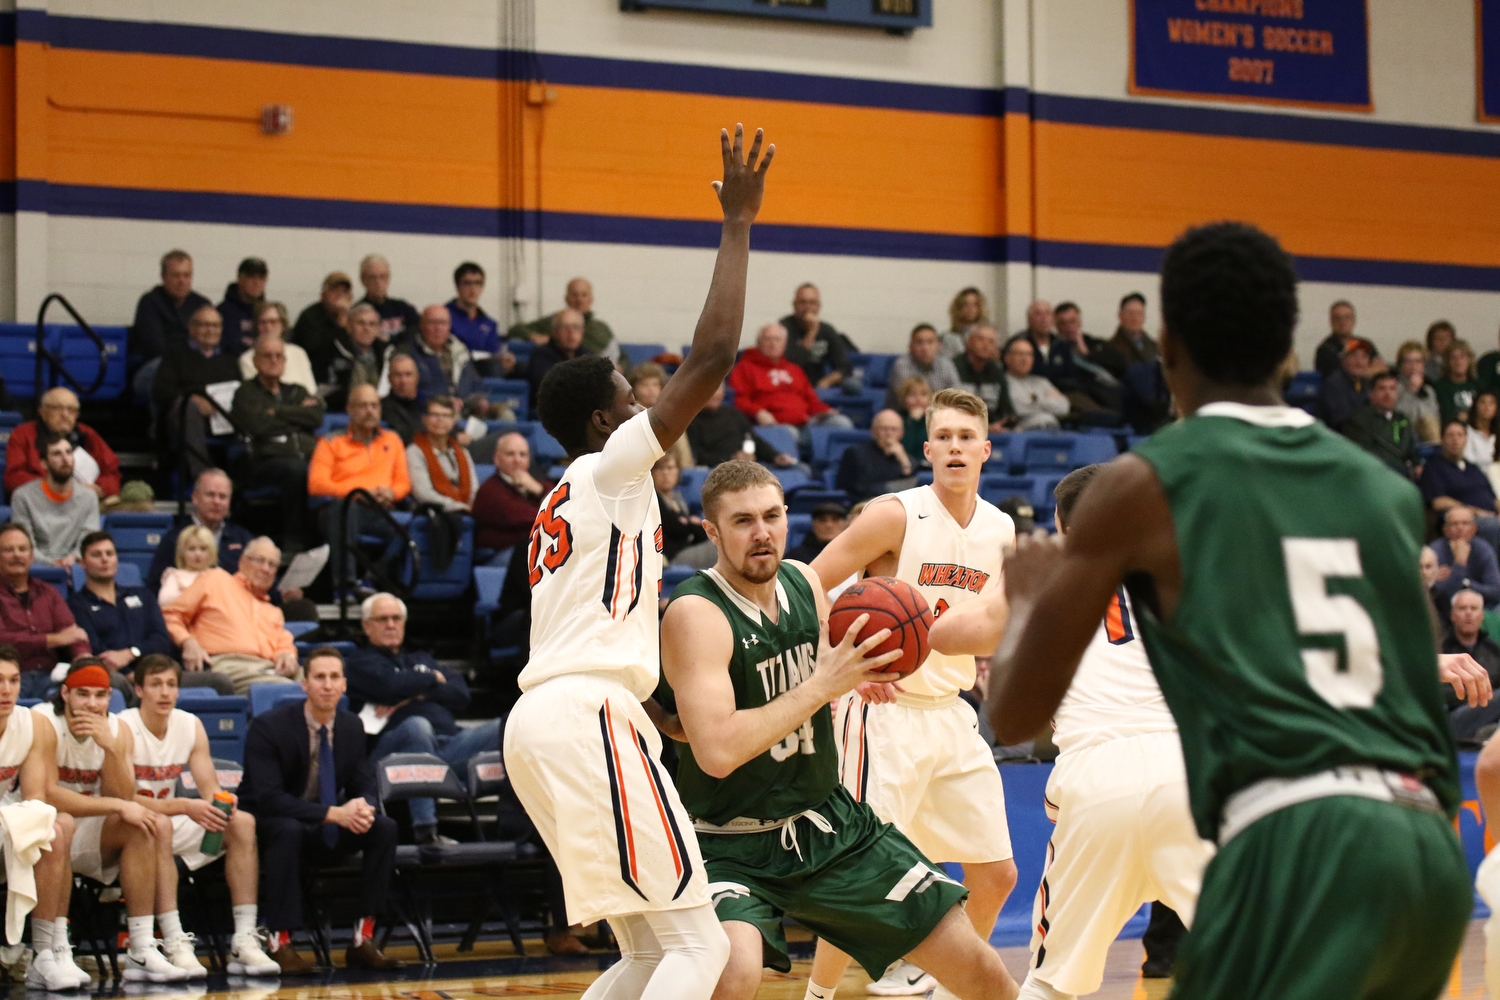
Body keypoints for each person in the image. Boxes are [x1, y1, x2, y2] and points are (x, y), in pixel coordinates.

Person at [978, 221, 1480, 1000]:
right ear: (1290, 349)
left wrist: (1030, 606)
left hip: (1293, 839)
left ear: (1168, 345)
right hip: (1421, 841)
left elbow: (1014, 715)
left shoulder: (1144, 485)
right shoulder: (1380, 487)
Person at [504, 124, 773, 1000]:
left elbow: (599, 620)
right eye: (631, 397)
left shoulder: (574, 498)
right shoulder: (610, 468)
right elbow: (715, 357)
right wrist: (737, 222)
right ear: (603, 422)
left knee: (655, 953)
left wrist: (661, 707)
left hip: (553, 719)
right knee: (699, 950)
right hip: (586, 718)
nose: (648, 404)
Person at [655, 461, 1018, 1000]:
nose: (762, 533)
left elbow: (826, 660)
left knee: (982, 971)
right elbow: (718, 751)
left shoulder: (803, 583)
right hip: (729, 842)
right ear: (711, 531)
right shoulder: (695, 613)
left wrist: (858, 678)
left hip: (829, 826)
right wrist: (825, 686)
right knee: (731, 972)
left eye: (772, 516)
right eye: (742, 521)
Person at [928, 463, 1213, 1000]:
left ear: (1061, 524)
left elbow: (946, 635)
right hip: (1186, 774)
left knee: (1054, 982)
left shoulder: (1046, 576)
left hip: (1097, 777)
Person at [808, 388, 1018, 997]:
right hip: (884, 713)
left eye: (965, 437)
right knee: (859, 876)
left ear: (986, 448)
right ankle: (818, 994)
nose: (955, 447)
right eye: (944, 437)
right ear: (926, 449)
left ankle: (933, 978)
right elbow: (807, 584)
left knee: (996, 873)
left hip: (952, 713)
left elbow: (991, 622)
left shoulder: (1001, 528)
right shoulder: (893, 514)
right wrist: (850, 664)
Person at [240, 647, 401, 972]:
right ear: (305, 684)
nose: (327, 685)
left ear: (344, 684)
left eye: (334, 677)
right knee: (288, 828)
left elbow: (364, 783)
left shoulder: (352, 726)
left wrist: (364, 808)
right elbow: (269, 799)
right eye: (319, 677)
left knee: (384, 827)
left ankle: (363, 938)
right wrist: (335, 814)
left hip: (326, 822)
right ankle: (280, 942)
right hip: (270, 825)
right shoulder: (269, 727)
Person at [121, 655, 280, 977]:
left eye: (171, 685)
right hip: (127, 827)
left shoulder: (189, 724)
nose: (165, 693)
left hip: (165, 819)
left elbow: (209, 789)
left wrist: (222, 804)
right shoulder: (124, 726)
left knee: (242, 823)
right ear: (138, 689)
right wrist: (185, 806)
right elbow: (124, 799)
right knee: (160, 825)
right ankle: (174, 939)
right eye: (155, 685)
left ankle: (244, 940)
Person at [35, 661, 188, 982]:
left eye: (100, 695)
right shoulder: (44, 721)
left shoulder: (117, 729)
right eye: (83, 694)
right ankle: (58, 948)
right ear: (65, 693)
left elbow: (123, 793)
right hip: (43, 832)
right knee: (63, 822)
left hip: (88, 831)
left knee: (142, 824)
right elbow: (46, 795)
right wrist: (117, 804)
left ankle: (142, 947)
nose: (92, 704)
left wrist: (112, 750)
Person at [345, 594, 502, 844]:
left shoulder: (420, 659)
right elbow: (389, 686)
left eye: (396, 618)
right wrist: (430, 680)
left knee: (509, 726)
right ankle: (426, 832)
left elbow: (460, 694)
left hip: (449, 747)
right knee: (417, 727)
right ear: (366, 626)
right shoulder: (359, 662)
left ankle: (516, 827)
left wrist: (410, 693)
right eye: (382, 619)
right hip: (389, 756)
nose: (391, 624)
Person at [0, 646, 83, 990]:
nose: (6, 689)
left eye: (14, 680)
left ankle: (45, 955)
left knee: (57, 826)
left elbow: (36, 798)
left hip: (5, 814)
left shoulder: (33, 723)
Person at [161, 537, 300, 694]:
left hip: (270, 667)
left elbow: (283, 642)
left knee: (321, 682)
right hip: (227, 664)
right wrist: (188, 642)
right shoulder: (215, 579)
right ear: (242, 562)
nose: (265, 569)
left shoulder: (273, 611)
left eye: (272, 565)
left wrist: (287, 655)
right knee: (289, 690)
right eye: (260, 561)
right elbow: (170, 614)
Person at [307, 385, 411, 593]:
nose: (370, 411)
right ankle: (344, 586)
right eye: (363, 406)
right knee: (346, 510)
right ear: (350, 409)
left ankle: (372, 577)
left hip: (379, 510)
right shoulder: (331, 441)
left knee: (415, 524)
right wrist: (360, 492)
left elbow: (403, 483)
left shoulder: (392, 440)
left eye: (374, 405)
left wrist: (391, 493)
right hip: (341, 509)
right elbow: (316, 484)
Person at [230, 336, 326, 549]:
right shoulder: (245, 393)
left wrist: (277, 412)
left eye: (278, 356)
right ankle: (295, 539)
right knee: (297, 469)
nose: (273, 360)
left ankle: (324, 539)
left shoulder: (296, 390)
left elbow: (316, 416)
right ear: (255, 361)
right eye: (267, 356)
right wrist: (297, 418)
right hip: (263, 460)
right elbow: (256, 427)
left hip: (304, 455)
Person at [67, 531, 176, 679]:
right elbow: (94, 650)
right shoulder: (76, 604)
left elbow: (162, 641)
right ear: (83, 564)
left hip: (156, 673)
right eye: (97, 555)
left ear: (117, 559)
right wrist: (129, 676)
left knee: (216, 681)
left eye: (109, 554)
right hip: (114, 676)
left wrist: (131, 653)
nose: (104, 559)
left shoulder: (143, 595)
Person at [153, 304, 242, 481]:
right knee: (188, 407)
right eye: (204, 325)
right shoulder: (175, 355)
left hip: (222, 419)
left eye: (215, 326)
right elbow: (161, 391)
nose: (211, 330)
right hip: (185, 420)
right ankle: (203, 477)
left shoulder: (230, 361)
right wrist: (193, 400)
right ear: (191, 328)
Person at [0, 524, 89, 696]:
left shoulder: (47, 592)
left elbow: (72, 632)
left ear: (32, 556)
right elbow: (3, 640)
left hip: (50, 676)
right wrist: (52, 639)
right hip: (8, 678)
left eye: (22, 549)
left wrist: (82, 657)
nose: (17, 554)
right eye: (8, 550)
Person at [729, 323, 853, 433]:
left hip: (806, 423)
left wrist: (826, 411)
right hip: (772, 426)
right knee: (788, 434)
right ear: (758, 343)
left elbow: (811, 401)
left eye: (777, 340)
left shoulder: (795, 370)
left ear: (784, 344)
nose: (773, 344)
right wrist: (758, 412)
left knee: (841, 423)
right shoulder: (744, 368)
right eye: (767, 339)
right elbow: (739, 401)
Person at [4, 387, 121, 499]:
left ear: (77, 415)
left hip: (85, 501)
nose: (65, 415)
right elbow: (13, 479)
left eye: (71, 409)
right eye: (57, 408)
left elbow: (112, 473)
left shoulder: (87, 434)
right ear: (42, 412)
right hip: (41, 501)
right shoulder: (22, 434)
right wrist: (62, 487)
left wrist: (100, 488)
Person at [148, 469, 252, 592]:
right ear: (195, 497)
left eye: (223, 497)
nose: (216, 501)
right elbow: (155, 588)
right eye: (210, 495)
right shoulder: (174, 539)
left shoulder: (243, 539)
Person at [11, 433, 100, 567]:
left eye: (69, 452)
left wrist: (74, 558)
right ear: (44, 463)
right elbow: (23, 544)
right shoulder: (23, 496)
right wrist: (54, 565)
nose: (65, 459)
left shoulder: (89, 498)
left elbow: (89, 539)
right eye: (57, 454)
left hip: (76, 567)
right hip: (36, 568)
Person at [1420, 420, 1500, 552]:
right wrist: (1475, 512)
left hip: (1490, 516)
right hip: (1462, 521)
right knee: (1494, 526)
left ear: (1466, 439)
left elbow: (1493, 497)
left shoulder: (1473, 468)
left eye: (1459, 435)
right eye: (1450, 436)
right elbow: (1438, 502)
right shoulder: (1434, 468)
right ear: (1442, 439)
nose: (1455, 440)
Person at [130, 249, 212, 372]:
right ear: (163, 277)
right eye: (176, 275)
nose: (182, 281)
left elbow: (212, 343)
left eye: (186, 275)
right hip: (156, 367)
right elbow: (155, 348)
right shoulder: (150, 302)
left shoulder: (202, 304)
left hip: (195, 365)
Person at [509, 277, 623, 364]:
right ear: (567, 299)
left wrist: (620, 367)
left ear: (591, 299)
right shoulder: (556, 321)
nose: (580, 300)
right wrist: (535, 336)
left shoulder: (602, 328)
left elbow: (622, 356)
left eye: (584, 295)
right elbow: (515, 330)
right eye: (575, 295)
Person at [686, 382, 797, 468]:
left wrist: (775, 456)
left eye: (718, 389)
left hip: (746, 465)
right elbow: (696, 456)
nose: (715, 394)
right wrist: (731, 460)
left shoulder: (734, 414)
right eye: (709, 390)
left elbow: (753, 440)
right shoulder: (690, 421)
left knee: (800, 469)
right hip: (717, 471)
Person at [473, 432, 552, 554]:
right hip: (501, 552)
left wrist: (539, 490)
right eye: (510, 454)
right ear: (497, 459)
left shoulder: (536, 484)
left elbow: (562, 504)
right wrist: (553, 515)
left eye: (523, 454)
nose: (517, 460)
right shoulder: (490, 490)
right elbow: (519, 516)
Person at [1441, 591, 1500, 741]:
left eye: (1473, 609)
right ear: (1452, 615)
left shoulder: (1494, 650)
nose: (1468, 614)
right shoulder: (1440, 650)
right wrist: (1482, 693)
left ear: (1481, 615)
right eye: (1462, 608)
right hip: (1453, 717)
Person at [1340, 371, 1420, 479]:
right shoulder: (1359, 420)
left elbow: (1412, 451)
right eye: (1382, 389)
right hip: (1375, 475)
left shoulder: (1402, 419)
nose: (1388, 393)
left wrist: (1417, 465)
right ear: (1371, 394)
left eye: (1392, 389)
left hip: (1402, 474)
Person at [406, 394, 479, 512]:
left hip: (466, 510)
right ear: (425, 419)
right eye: (434, 415)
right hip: (436, 513)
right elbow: (423, 493)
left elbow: (474, 490)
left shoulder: (463, 452)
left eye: (446, 416)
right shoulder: (414, 452)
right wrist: (459, 507)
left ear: (453, 421)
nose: (440, 420)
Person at [404, 304, 486, 404]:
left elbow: (475, 383)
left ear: (449, 326)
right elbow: (406, 392)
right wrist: (444, 402)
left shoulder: (460, 350)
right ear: (421, 325)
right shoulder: (408, 354)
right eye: (432, 323)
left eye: (443, 323)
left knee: (504, 413)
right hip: (429, 413)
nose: (438, 328)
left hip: (465, 410)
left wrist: (480, 400)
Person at [321, 302, 391, 413]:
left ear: (378, 329)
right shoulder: (330, 350)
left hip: (380, 411)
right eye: (361, 323)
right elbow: (325, 390)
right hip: (341, 410)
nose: (366, 329)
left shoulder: (387, 353)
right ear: (349, 326)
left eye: (372, 324)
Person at [780, 283, 852, 389]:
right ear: (794, 304)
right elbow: (793, 364)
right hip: (788, 385)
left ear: (818, 306)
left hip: (816, 387)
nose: (807, 307)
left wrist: (826, 381)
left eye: (812, 303)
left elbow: (845, 366)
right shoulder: (783, 328)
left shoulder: (826, 330)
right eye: (803, 302)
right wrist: (811, 332)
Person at [238, 303, 317, 396]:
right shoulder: (247, 358)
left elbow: (311, 390)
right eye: (263, 322)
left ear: (282, 325)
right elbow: (258, 392)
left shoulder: (298, 352)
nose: (268, 327)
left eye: (273, 322)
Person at [836, 409, 914, 503]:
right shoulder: (855, 453)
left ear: (901, 434)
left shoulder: (905, 457)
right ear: (874, 431)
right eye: (884, 429)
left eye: (894, 429)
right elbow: (853, 487)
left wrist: (903, 460)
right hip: (865, 504)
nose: (889, 433)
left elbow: (912, 484)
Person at [1430, 506, 1500, 609]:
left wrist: (1465, 583)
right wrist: (1460, 563)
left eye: (1465, 523)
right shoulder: (1435, 552)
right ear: (1445, 530)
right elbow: (1442, 596)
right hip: (1449, 610)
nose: (1460, 528)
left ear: (1474, 529)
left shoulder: (1482, 548)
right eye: (1454, 524)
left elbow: (1496, 592)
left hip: (1481, 607)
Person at [293, 271, 354, 382]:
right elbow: (317, 354)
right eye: (335, 291)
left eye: (344, 291)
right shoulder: (310, 317)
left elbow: (355, 352)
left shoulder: (355, 317)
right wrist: (340, 327)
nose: (340, 296)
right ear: (323, 295)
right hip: (316, 377)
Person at [631, 364, 694, 471]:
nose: (650, 390)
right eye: (644, 385)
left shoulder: (672, 415)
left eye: (655, 385)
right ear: (634, 389)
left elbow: (684, 455)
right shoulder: (629, 415)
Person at [526, 308, 591, 411]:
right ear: (554, 331)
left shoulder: (588, 355)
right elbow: (548, 388)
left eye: (576, 327)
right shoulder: (541, 355)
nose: (571, 333)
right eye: (565, 328)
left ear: (582, 331)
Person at [1002, 335, 1071, 430]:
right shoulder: (1001, 381)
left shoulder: (1042, 382)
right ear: (1007, 358)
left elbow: (1064, 407)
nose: (1024, 359)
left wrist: (1035, 400)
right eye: (1019, 354)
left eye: (1029, 354)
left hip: (1051, 431)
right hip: (1021, 434)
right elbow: (1016, 408)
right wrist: (1047, 399)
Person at [954, 325, 1015, 431]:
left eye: (991, 341)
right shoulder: (953, 367)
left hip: (994, 430)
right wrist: (986, 428)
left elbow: (1006, 408)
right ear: (967, 342)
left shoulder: (997, 371)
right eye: (980, 339)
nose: (986, 345)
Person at [886, 324, 961, 410]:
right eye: (919, 342)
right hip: (904, 414)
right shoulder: (902, 365)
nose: (925, 347)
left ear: (938, 346)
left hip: (939, 412)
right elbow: (906, 399)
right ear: (910, 346)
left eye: (930, 342)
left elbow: (956, 396)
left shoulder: (946, 364)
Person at [356, 254, 421, 344]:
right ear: (363, 279)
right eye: (372, 277)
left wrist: (392, 340)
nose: (378, 282)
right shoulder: (357, 312)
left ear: (388, 278)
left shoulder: (403, 308)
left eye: (382, 277)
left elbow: (418, 331)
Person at [446, 261, 502, 356]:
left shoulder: (489, 323)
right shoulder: (444, 317)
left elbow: (494, 354)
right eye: (467, 283)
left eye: (477, 283)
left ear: (482, 287)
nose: (473, 289)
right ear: (457, 286)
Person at [1318, 337, 1373, 429]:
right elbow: (1343, 421)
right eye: (1353, 356)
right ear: (1343, 360)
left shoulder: (1368, 383)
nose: (1359, 362)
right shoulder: (1334, 384)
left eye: (1364, 357)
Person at [1395, 339, 1442, 444]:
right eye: (1408, 361)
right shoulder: (1393, 387)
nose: (1413, 366)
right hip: (1401, 434)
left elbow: (1435, 419)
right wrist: (1410, 391)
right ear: (1400, 364)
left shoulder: (1429, 391)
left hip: (1428, 437)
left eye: (1417, 361)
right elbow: (1399, 416)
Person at [158, 525, 216, 607]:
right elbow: (164, 600)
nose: (197, 554)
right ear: (182, 552)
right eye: (192, 549)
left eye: (203, 549)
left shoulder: (218, 575)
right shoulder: (175, 575)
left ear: (211, 551)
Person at [218, 257, 269, 351]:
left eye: (261, 277)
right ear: (239, 278)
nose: (256, 282)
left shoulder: (269, 313)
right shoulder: (222, 313)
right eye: (251, 277)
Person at [1105, 292, 1158, 375]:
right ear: (1121, 316)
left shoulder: (1155, 346)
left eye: (1139, 314)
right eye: (1130, 313)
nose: (1135, 318)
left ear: (1144, 317)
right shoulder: (1111, 348)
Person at [1436, 339, 1482, 427]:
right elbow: (1448, 414)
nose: (1458, 362)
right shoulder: (1441, 386)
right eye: (1454, 358)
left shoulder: (1478, 385)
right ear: (1448, 362)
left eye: (1462, 357)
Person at [382, 353, 425, 445]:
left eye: (408, 374)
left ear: (417, 378)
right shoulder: (382, 408)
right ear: (389, 379)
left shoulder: (428, 406)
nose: (403, 381)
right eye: (398, 375)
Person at [1313, 299, 1359, 378]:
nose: (1343, 322)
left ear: (1354, 321)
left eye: (1347, 317)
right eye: (1337, 318)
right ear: (1331, 321)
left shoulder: (1365, 344)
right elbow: (1339, 377)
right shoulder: (1325, 350)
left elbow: (1381, 369)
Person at [941, 287, 987, 358]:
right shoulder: (950, 338)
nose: (970, 309)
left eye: (975, 304)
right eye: (966, 305)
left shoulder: (989, 335)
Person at [896, 376, 933, 465]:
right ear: (903, 399)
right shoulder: (896, 420)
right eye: (912, 395)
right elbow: (905, 449)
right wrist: (912, 421)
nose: (918, 399)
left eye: (923, 395)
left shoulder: (937, 420)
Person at [1468, 390, 1500, 481]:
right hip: (1476, 480)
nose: (1487, 407)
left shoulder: (1497, 434)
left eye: (1491, 403)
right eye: (1483, 402)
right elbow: (1469, 462)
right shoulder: (1467, 433)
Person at [1427, 320, 1458, 386]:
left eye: (1446, 338)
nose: (1443, 342)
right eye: (1439, 338)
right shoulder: (1425, 363)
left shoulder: (1458, 362)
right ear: (1431, 341)